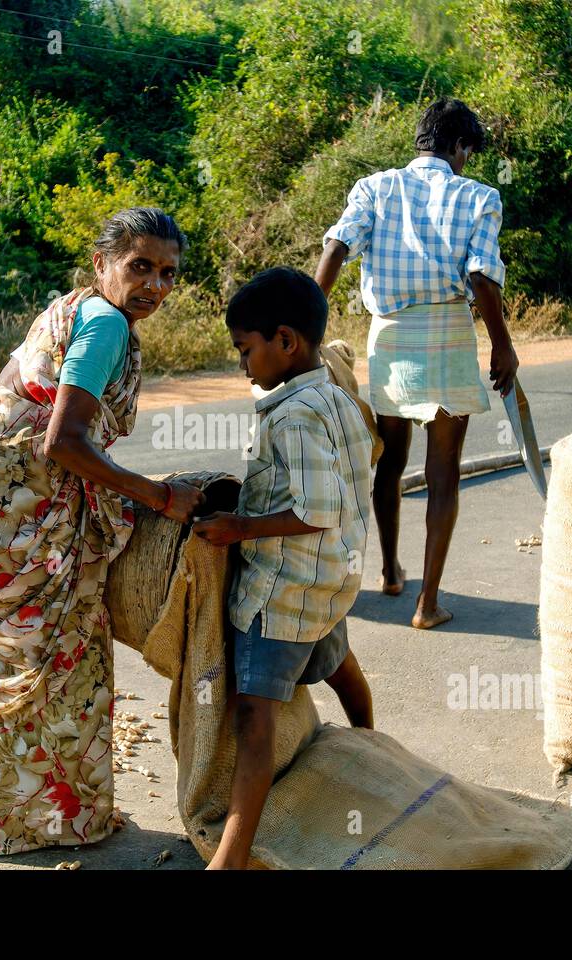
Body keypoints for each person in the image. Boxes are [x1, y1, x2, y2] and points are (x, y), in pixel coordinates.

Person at [0, 207, 205, 857]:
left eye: (167, 273)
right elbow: (66, 440)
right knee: (59, 657)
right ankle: (37, 821)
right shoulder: (105, 324)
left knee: (1, 660)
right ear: (102, 263)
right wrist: (161, 496)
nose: (155, 286)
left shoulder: (76, 307)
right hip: (19, 509)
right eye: (140, 267)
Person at [192, 266, 375, 870]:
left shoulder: (291, 416)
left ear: (286, 342)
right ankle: (371, 751)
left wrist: (237, 528)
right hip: (330, 582)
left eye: (247, 350)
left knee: (254, 718)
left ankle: (232, 856)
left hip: (283, 589)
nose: (244, 366)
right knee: (335, 662)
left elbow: (314, 510)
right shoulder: (334, 395)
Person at [315, 97, 519, 630]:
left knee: (390, 460)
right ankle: (427, 604)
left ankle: (387, 571)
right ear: (459, 147)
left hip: (389, 337)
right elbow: (480, 277)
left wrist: (309, 322)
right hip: (448, 334)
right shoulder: (478, 197)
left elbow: (337, 247)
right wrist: (502, 344)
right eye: (468, 153)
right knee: (443, 472)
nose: (467, 163)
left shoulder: (375, 187)